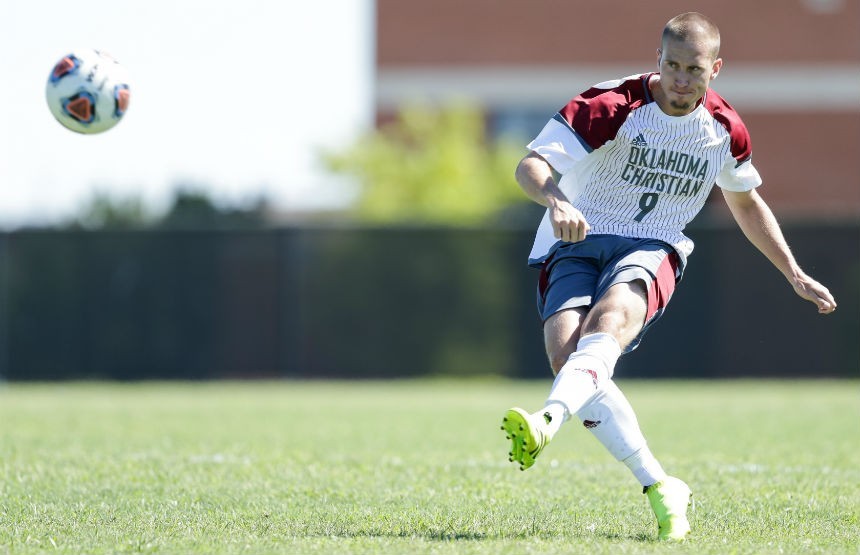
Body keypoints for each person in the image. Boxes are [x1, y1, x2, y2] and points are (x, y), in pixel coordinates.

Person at [500, 11, 837, 542]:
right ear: (657, 59)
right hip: (576, 238)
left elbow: (746, 203)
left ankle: (547, 421)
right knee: (568, 359)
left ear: (715, 69)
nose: (681, 80)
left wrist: (793, 271)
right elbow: (531, 165)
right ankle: (661, 485)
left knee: (607, 325)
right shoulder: (610, 105)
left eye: (693, 70)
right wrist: (556, 199)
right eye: (673, 65)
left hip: (654, 245)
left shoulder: (725, 129)